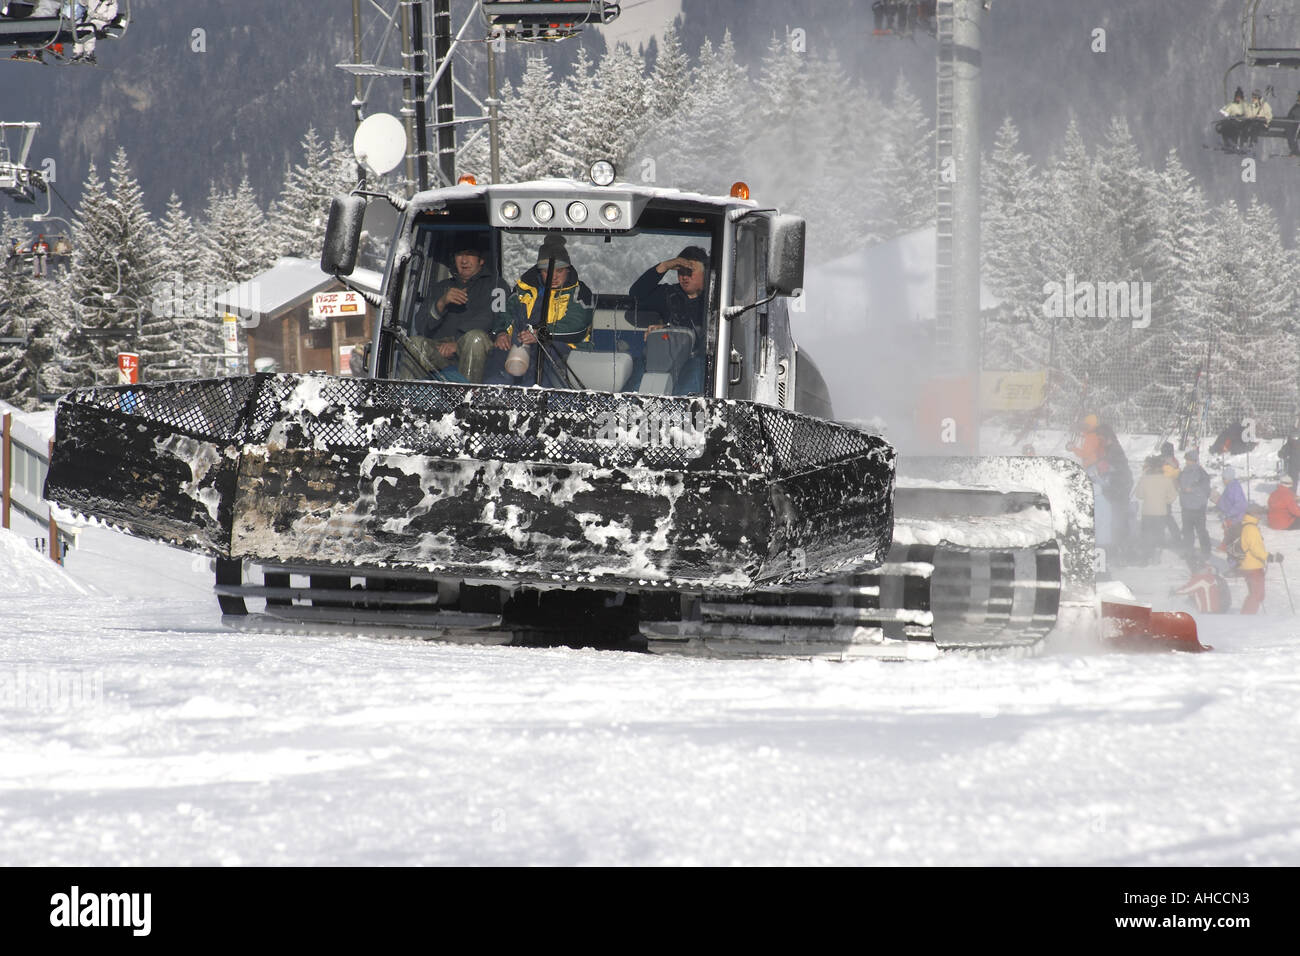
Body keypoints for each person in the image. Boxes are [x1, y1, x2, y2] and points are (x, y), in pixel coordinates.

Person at [485, 233, 594, 388]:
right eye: (546, 272)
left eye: (559, 271)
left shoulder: (580, 292)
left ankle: (536, 400)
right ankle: (492, 394)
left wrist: (540, 333)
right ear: (539, 272)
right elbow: (507, 313)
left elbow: (577, 326)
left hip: (564, 352)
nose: (553, 277)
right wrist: (502, 332)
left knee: (546, 361)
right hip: (525, 346)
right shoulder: (523, 290)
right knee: (499, 354)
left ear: (568, 270)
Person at [414, 238, 508, 384]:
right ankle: (406, 401)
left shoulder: (496, 286)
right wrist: (441, 303)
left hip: (478, 352)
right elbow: (421, 326)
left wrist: (458, 344)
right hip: (440, 350)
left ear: (481, 260)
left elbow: (498, 320)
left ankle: (466, 401)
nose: (464, 261)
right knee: (415, 343)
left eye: (470, 254)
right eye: (459, 255)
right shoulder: (440, 288)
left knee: (475, 338)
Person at [626, 245, 710, 395]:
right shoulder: (669, 294)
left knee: (696, 367)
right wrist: (664, 266)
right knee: (643, 362)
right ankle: (634, 403)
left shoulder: (714, 299)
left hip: (697, 361)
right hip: (665, 358)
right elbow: (636, 295)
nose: (684, 276)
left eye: (690, 271)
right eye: (680, 271)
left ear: (706, 273)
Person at [1135, 455, 1178, 564]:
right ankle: (1156, 556)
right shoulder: (1166, 480)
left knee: (1146, 534)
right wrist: (1165, 501)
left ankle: (1145, 555)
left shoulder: (1144, 479)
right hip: (1161, 512)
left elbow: (1139, 495)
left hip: (1147, 511)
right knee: (1159, 534)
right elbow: (1173, 496)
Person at [1238, 504, 1279, 614]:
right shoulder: (1251, 528)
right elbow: (1255, 549)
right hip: (1252, 567)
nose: (1261, 515)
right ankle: (1246, 618)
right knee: (1257, 594)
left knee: (1256, 594)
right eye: (1259, 512)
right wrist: (1270, 557)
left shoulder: (1248, 525)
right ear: (1254, 514)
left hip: (1249, 565)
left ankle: (1247, 616)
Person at [1177, 447, 1213, 554]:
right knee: (1187, 531)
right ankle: (1189, 551)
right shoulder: (1183, 472)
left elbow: (1206, 489)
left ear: (1194, 460)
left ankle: (1206, 551)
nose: (1187, 461)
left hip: (1198, 508)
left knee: (1201, 531)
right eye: (1186, 460)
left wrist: (1192, 490)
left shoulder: (1201, 473)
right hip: (1186, 507)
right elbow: (1179, 484)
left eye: (1188, 459)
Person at [1217, 87, 1248, 151]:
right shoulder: (1231, 105)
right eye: (1237, 97)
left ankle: (1236, 144)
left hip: (1240, 124)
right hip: (1231, 123)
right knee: (1225, 127)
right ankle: (1227, 143)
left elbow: (1247, 115)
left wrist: (1240, 116)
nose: (1238, 98)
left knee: (1237, 128)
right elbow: (1225, 113)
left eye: (1239, 97)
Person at [1287, 91, 1300, 157]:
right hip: (1294, 126)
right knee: (1290, 133)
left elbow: (1294, 113)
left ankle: (1295, 151)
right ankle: (1295, 151)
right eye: (1298, 96)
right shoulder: (1296, 105)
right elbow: (1290, 115)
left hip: (1296, 126)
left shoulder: (1296, 106)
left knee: (1291, 133)